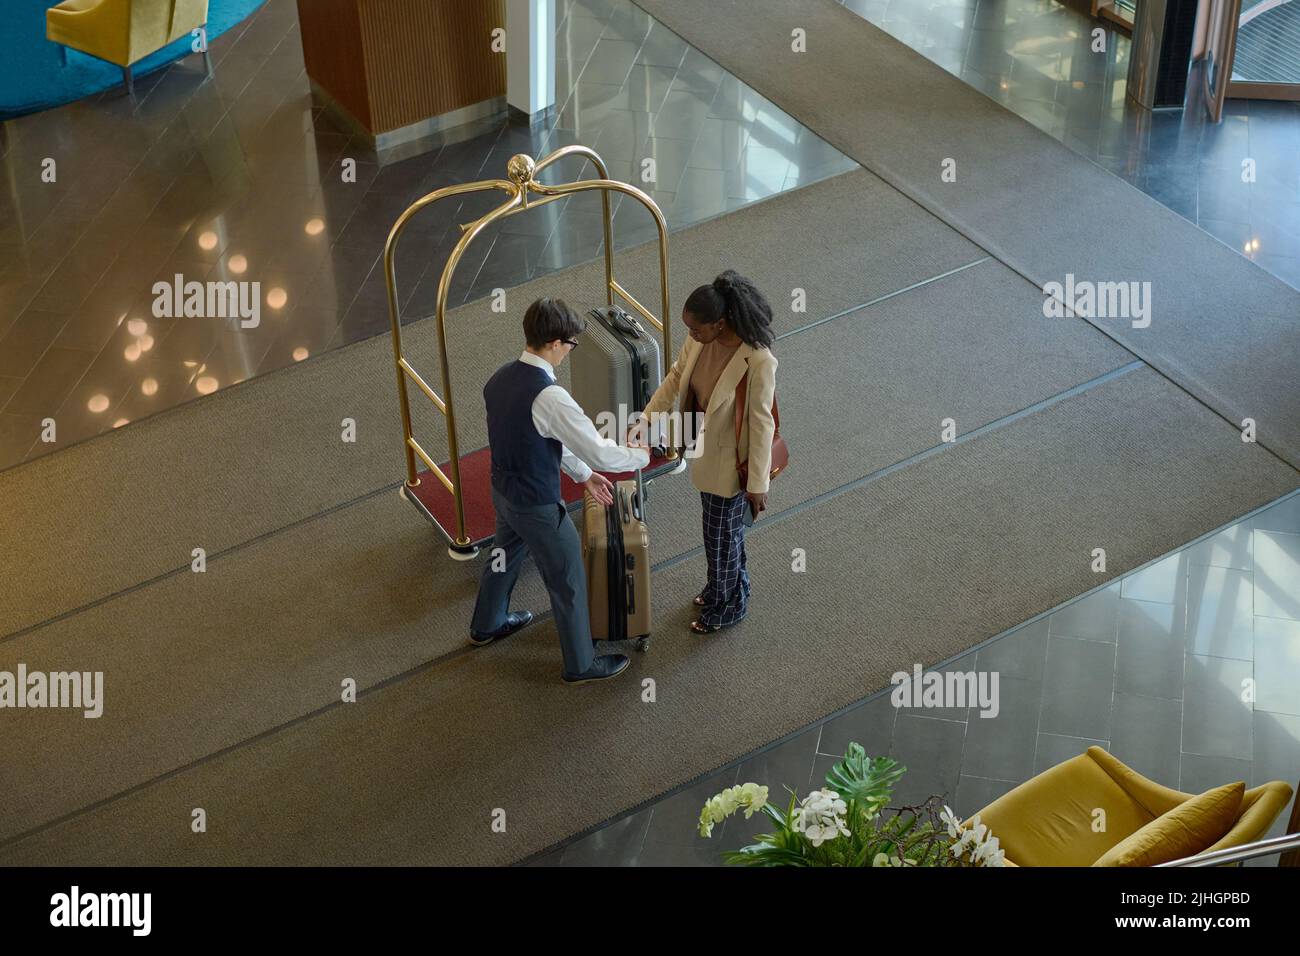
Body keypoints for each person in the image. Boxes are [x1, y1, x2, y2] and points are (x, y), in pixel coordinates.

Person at [470, 297, 650, 683]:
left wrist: (582, 475)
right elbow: (598, 450)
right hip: (537, 503)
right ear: (555, 342)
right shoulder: (550, 397)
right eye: (571, 344)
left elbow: (544, 439)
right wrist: (640, 457)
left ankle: (487, 623)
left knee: (503, 556)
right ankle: (581, 664)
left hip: (503, 490)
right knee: (568, 581)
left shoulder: (499, 377)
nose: (570, 351)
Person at [634, 270, 778, 634]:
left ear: (721, 323)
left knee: (719, 535)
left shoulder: (758, 361)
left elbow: (762, 424)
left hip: (730, 464)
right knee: (724, 533)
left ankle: (728, 605)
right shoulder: (699, 341)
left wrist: (758, 484)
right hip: (704, 449)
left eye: (697, 328)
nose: (691, 334)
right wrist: (647, 419)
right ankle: (725, 587)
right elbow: (676, 376)